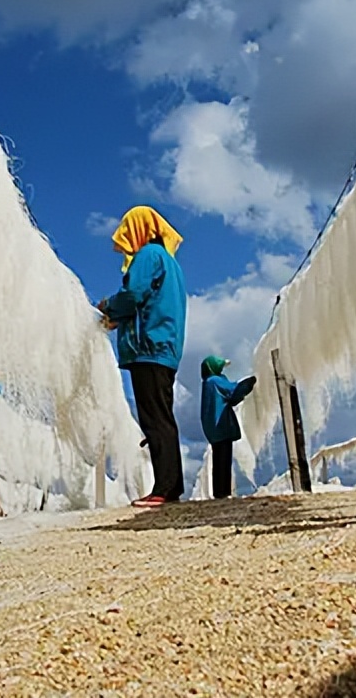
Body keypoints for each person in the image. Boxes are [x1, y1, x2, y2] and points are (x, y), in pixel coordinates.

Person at [97, 206, 187, 508]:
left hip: (148, 347)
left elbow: (134, 295)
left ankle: (163, 489)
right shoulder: (170, 263)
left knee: (154, 419)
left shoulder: (148, 255)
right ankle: (171, 487)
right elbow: (149, 301)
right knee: (163, 417)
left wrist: (108, 307)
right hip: (163, 347)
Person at [199, 356, 256, 499]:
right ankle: (223, 492)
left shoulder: (207, 383)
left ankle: (219, 491)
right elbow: (234, 392)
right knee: (224, 460)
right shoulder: (215, 381)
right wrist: (251, 381)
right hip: (221, 427)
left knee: (218, 460)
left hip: (213, 429)